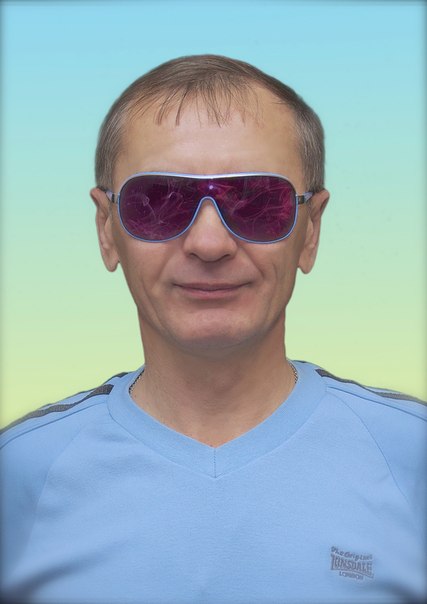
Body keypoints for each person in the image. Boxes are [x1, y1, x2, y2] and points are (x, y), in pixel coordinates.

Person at [1, 55, 426, 604]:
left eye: (256, 202)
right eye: (159, 201)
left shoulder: (412, 455)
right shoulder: (18, 473)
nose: (209, 243)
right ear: (107, 229)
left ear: (311, 229)